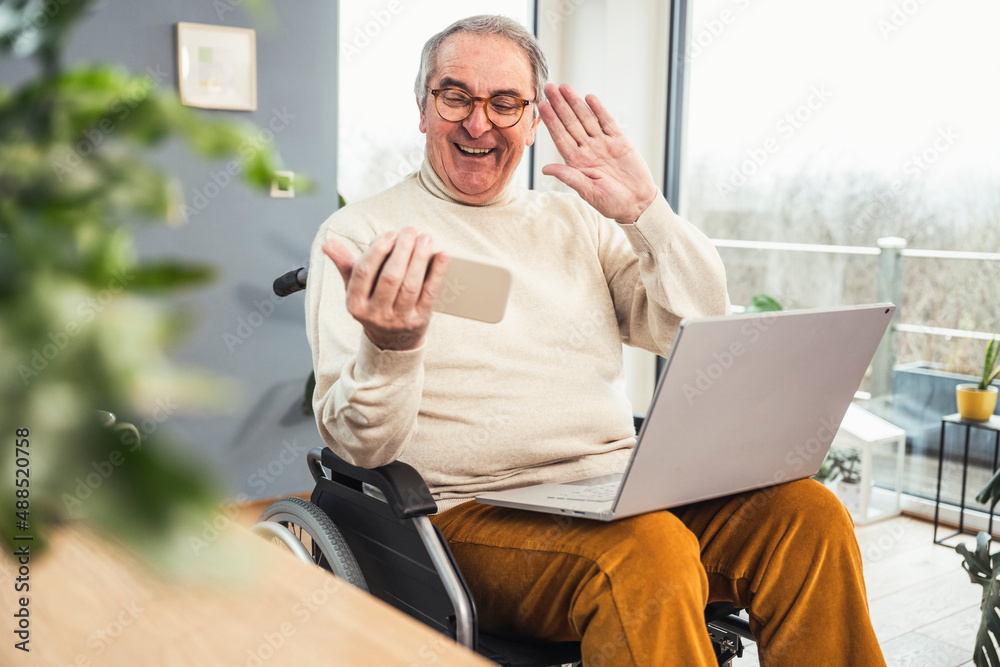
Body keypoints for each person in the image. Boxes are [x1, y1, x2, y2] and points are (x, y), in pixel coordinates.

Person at [305, 14, 885, 667]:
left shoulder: (576, 221)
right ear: (422, 108)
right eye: (455, 96)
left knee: (808, 515)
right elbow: (359, 441)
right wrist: (393, 345)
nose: (478, 123)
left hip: (615, 489)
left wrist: (647, 210)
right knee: (647, 551)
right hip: (465, 515)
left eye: (504, 103)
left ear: (530, 122)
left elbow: (691, 322)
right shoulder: (362, 236)